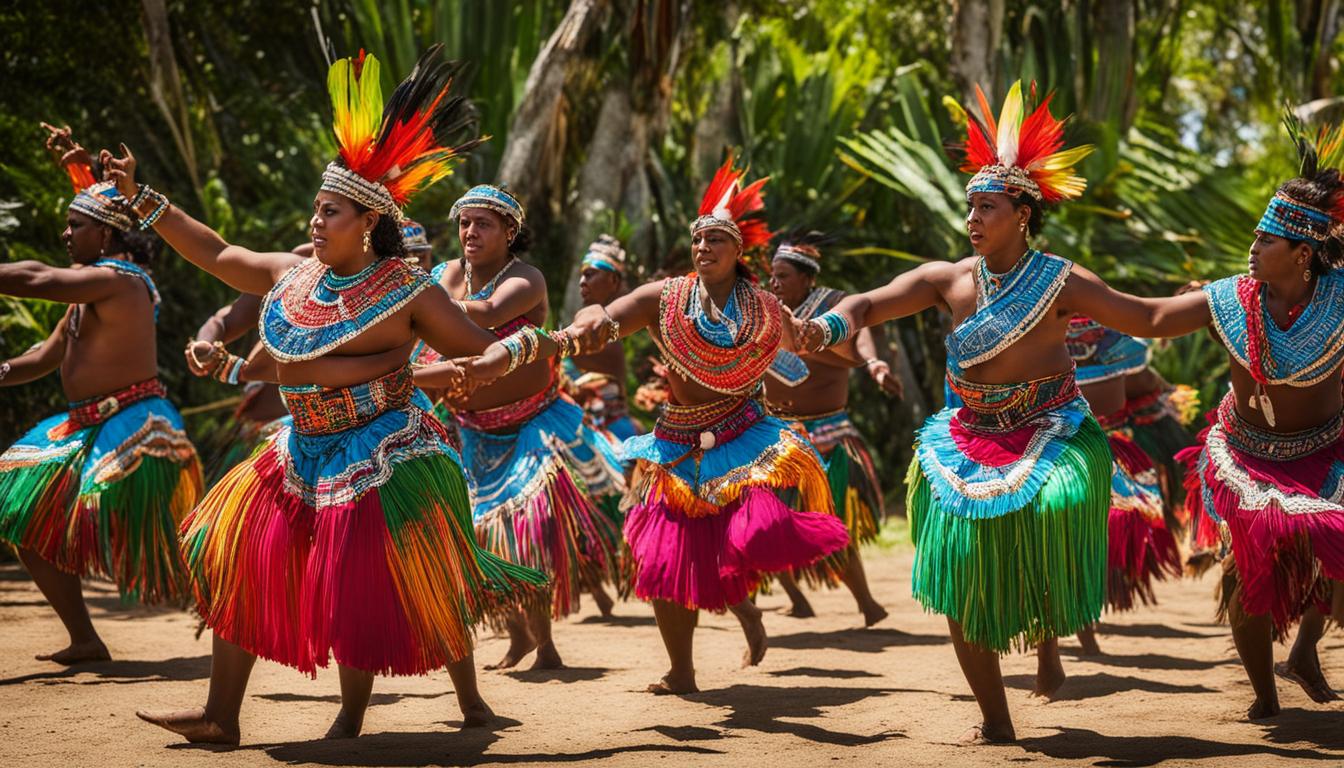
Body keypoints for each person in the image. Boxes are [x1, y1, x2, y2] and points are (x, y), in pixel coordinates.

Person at [125, 47, 544, 745]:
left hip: (385, 450)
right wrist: (145, 201)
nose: (316, 222)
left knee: (384, 580)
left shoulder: (408, 290)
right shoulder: (296, 272)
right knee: (247, 562)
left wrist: (530, 348)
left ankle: (403, 709)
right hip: (300, 445)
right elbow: (221, 255)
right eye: (316, 210)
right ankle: (221, 715)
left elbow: (478, 347)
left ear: (368, 222)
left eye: (331, 212)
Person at [804, 81, 1213, 743]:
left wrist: (1232, 295)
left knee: (1044, 524)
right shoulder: (950, 279)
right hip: (966, 437)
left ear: (1023, 214)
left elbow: (1149, 317)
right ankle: (996, 720)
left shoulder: (1061, 280)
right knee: (963, 573)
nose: (972, 219)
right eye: (969, 206)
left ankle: (1050, 643)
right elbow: (869, 305)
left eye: (986, 207)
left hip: (1052, 432)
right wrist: (825, 329)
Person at [456, 154, 851, 694]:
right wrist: (584, 325)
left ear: (739, 251)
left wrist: (841, 336)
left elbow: (802, 347)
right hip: (676, 441)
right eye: (698, 240)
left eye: (716, 240)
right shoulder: (664, 298)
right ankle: (681, 671)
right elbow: (604, 318)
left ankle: (747, 610)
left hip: (745, 438)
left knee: (743, 540)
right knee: (663, 562)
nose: (703, 248)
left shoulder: (763, 308)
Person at [0, 124, 203, 664]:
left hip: (132, 425)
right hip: (82, 425)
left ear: (108, 234)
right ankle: (86, 639)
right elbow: (42, 360)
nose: (65, 235)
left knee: (156, 538)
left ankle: (245, 593)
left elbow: (38, 279)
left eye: (75, 226)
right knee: (25, 520)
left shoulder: (120, 280)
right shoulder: (86, 288)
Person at [414, 185, 626, 670]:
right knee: (486, 536)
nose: (470, 232)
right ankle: (518, 638)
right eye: (465, 222)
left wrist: (415, 300)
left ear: (510, 232)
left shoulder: (525, 279)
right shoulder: (446, 275)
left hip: (534, 426)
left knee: (524, 536)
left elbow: (485, 314)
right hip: (469, 429)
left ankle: (545, 643)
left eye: (483, 223)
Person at [1176, 115, 1344, 718]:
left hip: (1327, 450)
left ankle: (1302, 651)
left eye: (1265, 241)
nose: (1251, 248)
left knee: (1336, 549)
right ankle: (1265, 696)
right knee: (1241, 576)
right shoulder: (1229, 299)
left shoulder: (1342, 299)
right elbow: (1146, 317)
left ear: (1304, 253)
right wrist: (1063, 289)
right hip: (1245, 454)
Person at [764, 231, 897, 626]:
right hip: (776, 433)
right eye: (772, 275)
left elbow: (862, 337)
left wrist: (874, 365)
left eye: (783, 275)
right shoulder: (767, 310)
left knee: (831, 522)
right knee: (765, 521)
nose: (774, 283)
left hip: (827, 436)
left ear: (807, 278)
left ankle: (867, 604)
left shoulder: (834, 305)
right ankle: (796, 598)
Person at [1065, 316, 1181, 655]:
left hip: (1104, 453)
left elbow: (1143, 386)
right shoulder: (1042, 347)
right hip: (1068, 449)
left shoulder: (1116, 349)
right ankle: (1080, 625)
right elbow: (1145, 384)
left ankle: (1082, 622)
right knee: (1080, 538)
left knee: (1088, 538)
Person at [564, 234, 644, 443]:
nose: (582, 282)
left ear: (613, 280)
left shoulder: (603, 337)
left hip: (609, 438)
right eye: (582, 275)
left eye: (590, 275)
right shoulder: (593, 327)